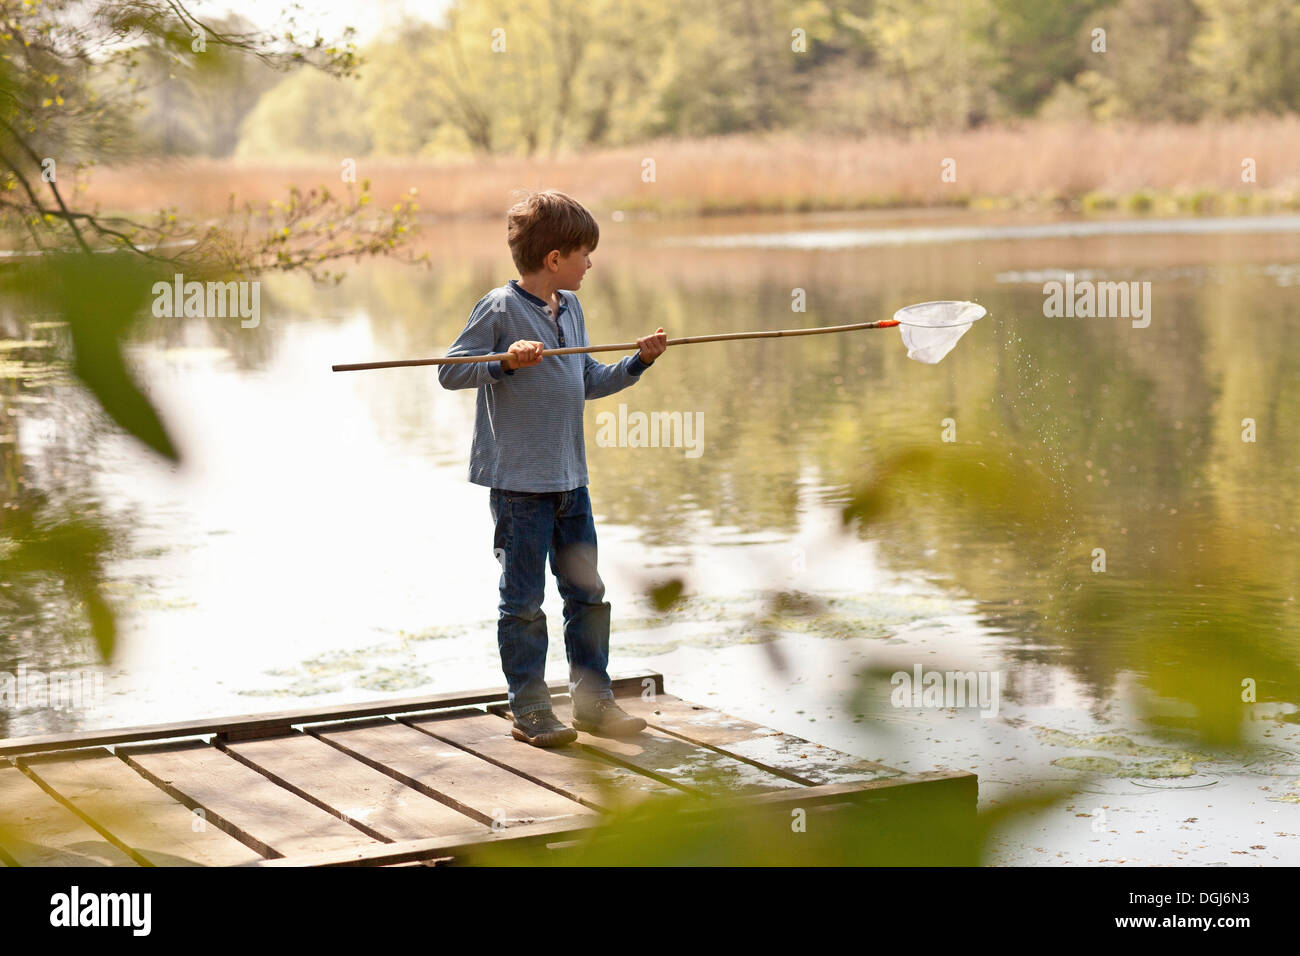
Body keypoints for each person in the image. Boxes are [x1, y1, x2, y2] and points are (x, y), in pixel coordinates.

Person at [437, 189, 668, 747]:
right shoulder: (499, 306)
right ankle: (531, 710)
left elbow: (585, 380)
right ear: (554, 259)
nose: (591, 263)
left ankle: (593, 704)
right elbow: (449, 372)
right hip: (521, 486)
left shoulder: (573, 308)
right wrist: (504, 362)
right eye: (584, 253)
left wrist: (639, 361)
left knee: (587, 595)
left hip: (571, 482)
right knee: (523, 602)